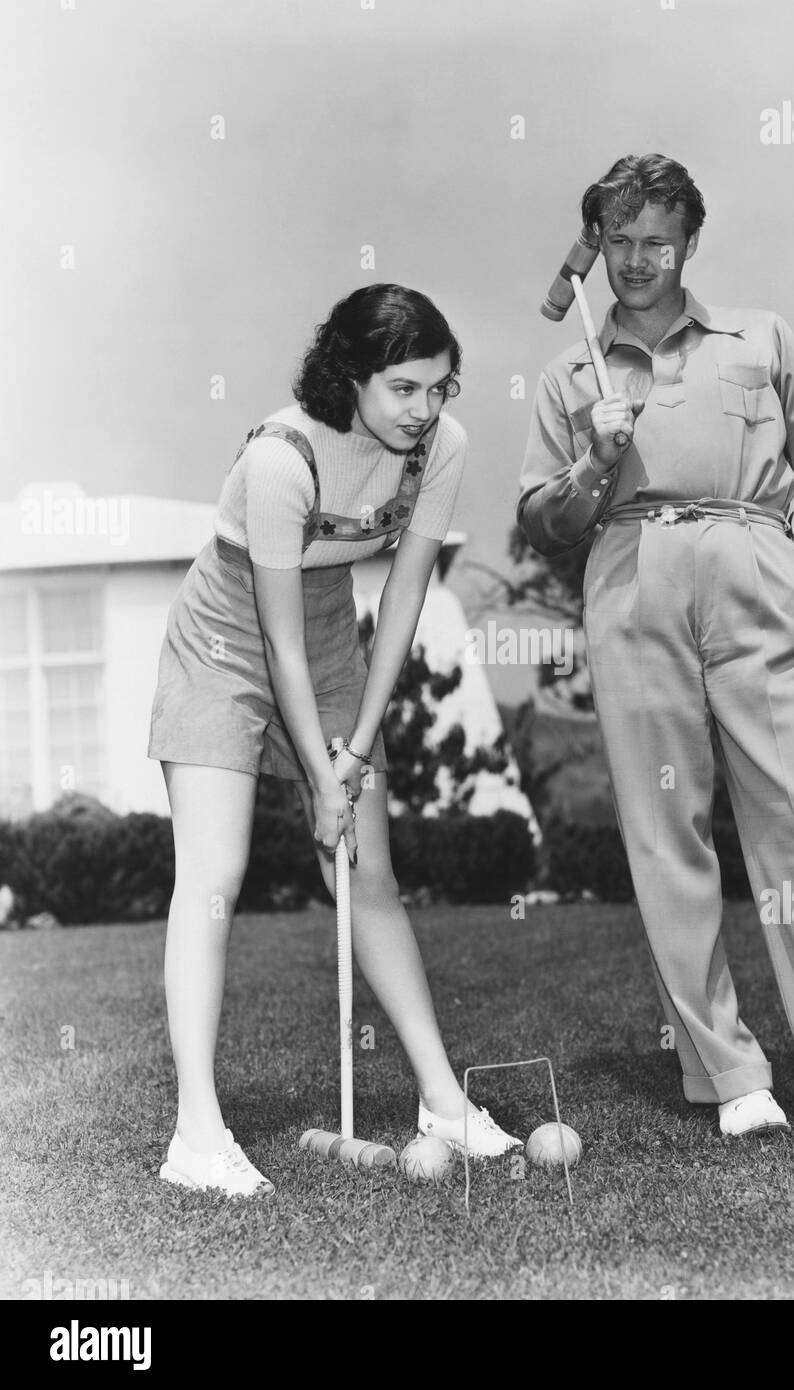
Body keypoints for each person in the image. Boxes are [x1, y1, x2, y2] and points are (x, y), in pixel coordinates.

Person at [516, 155, 794, 1145]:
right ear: (596, 246)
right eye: (619, 241)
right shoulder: (568, 376)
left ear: (688, 242)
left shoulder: (758, 339)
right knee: (665, 833)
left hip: (755, 579)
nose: (637, 261)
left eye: (657, 240)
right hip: (631, 586)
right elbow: (543, 523)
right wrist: (594, 461)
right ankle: (728, 1074)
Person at [148, 284, 521, 1196]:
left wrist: (355, 751)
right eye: (402, 388)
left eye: (440, 387)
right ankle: (196, 1136)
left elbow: (400, 600)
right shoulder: (281, 460)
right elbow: (270, 644)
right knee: (214, 875)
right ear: (349, 375)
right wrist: (321, 778)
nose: (423, 409)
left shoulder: (442, 445)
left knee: (370, 876)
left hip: (329, 627)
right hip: (228, 633)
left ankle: (443, 1100)